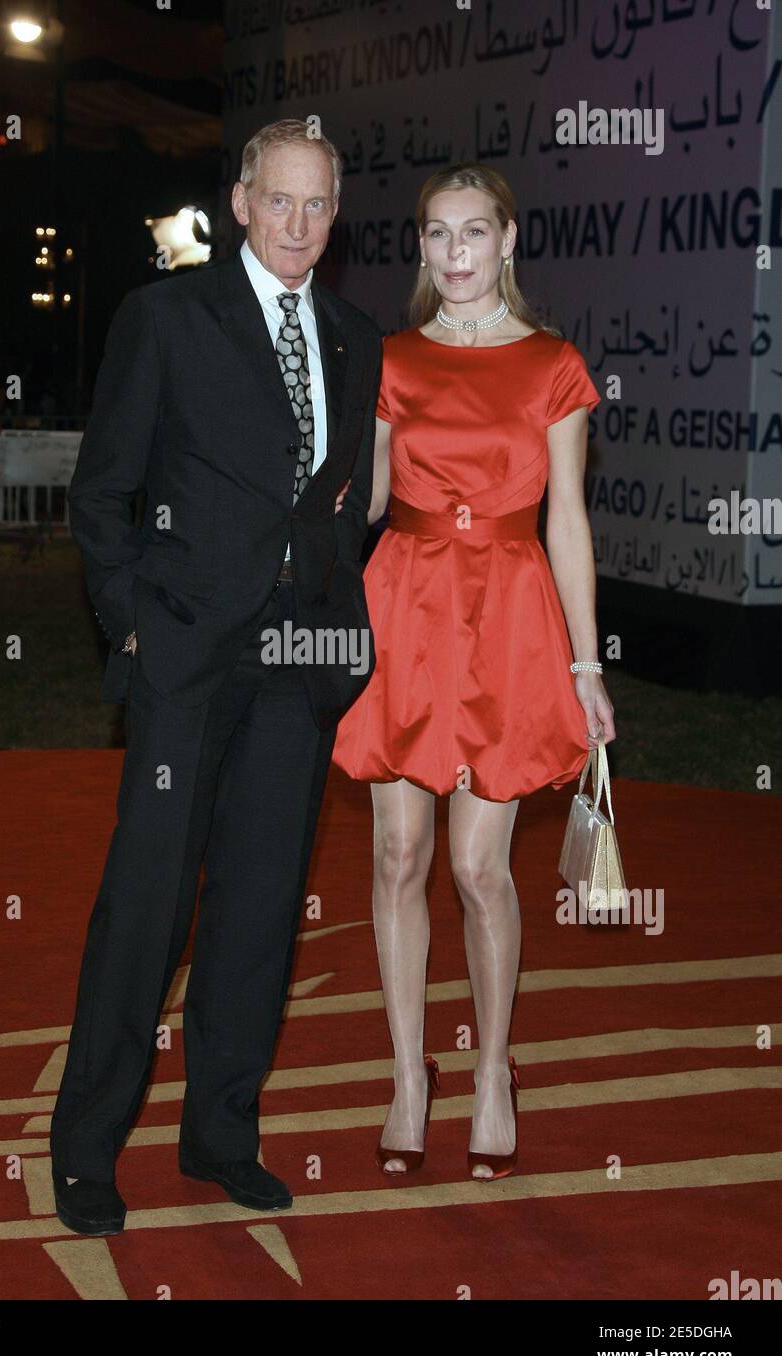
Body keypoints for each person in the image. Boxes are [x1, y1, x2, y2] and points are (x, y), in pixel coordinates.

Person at [51, 119, 382, 1234]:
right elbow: (102, 495)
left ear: (337, 216)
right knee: (145, 909)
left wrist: (338, 617)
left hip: (299, 665)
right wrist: (134, 629)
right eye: (279, 201)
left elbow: (341, 499)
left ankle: (220, 1137)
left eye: (319, 206)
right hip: (187, 660)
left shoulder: (351, 336)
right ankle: (87, 1150)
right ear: (239, 201)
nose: (298, 225)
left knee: (258, 914)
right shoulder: (165, 318)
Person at [332, 163, 616, 1181]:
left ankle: (492, 1069)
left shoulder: (552, 364)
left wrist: (586, 664)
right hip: (403, 605)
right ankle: (411, 1075)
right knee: (397, 856)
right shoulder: (390, 360)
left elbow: (569, 521)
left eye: (471, 234)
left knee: (476, 866)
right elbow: (358, 502)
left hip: (505, 612)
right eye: (435, 236)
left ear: (506, 242)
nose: (453, 253)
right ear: (421, 249)